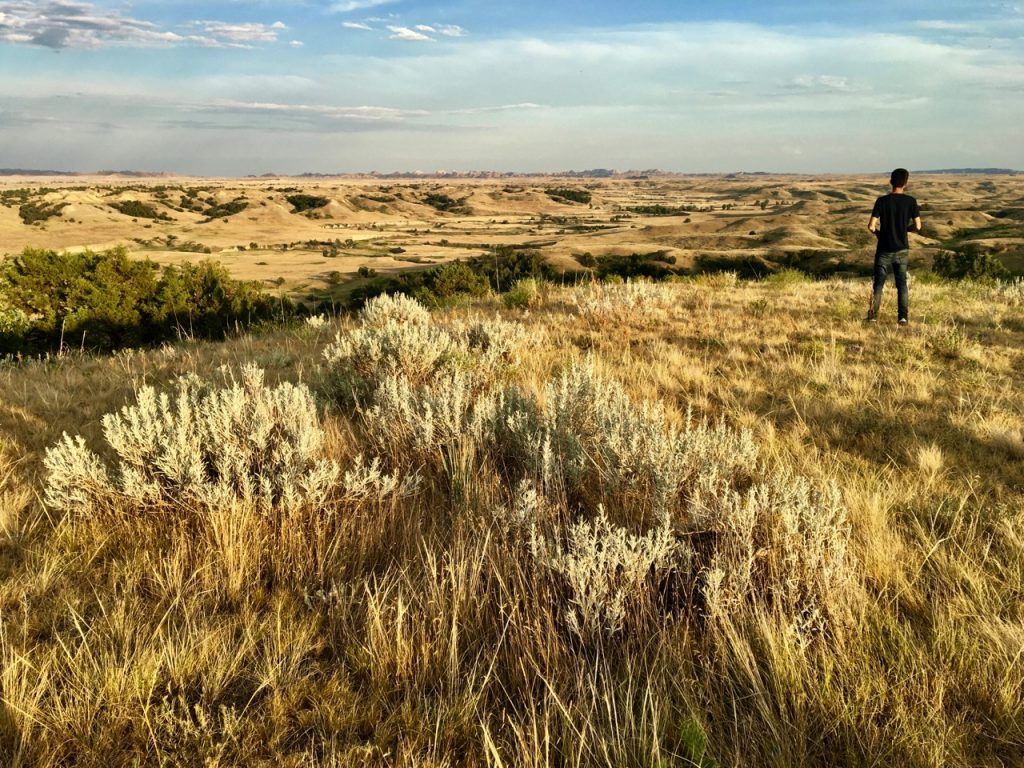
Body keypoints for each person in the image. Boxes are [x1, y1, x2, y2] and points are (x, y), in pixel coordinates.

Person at [866, 168, 921, 324]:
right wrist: (906, 229)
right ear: (906, 183)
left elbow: (871, 226)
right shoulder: (911, 201)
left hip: (883, 248)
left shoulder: (881, 201)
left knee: (878, 284)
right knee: (902, 285)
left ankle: (873, 316)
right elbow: (918, 226)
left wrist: (879, 234)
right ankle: (902, 318)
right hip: (902, 248)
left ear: (891, 181)